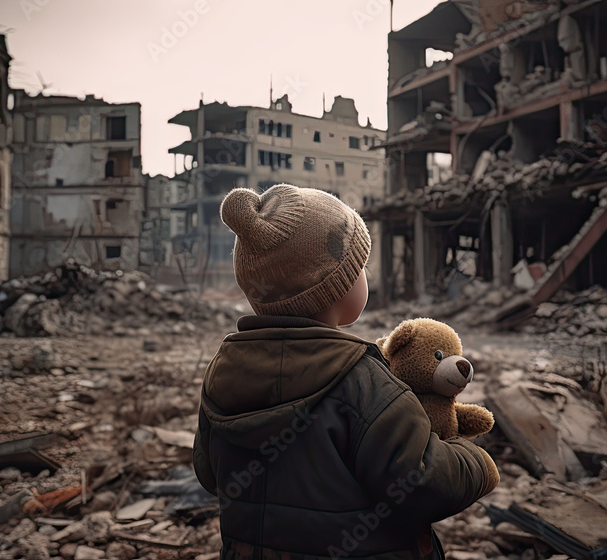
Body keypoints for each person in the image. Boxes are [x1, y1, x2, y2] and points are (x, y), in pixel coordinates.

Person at [193, 184, 499, 559]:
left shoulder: (223, 372)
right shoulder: (364, 383)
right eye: (360, 267)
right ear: (336, 289)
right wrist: (477, 462)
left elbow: (209, 475)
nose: (365, 275)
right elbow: (420, 483)